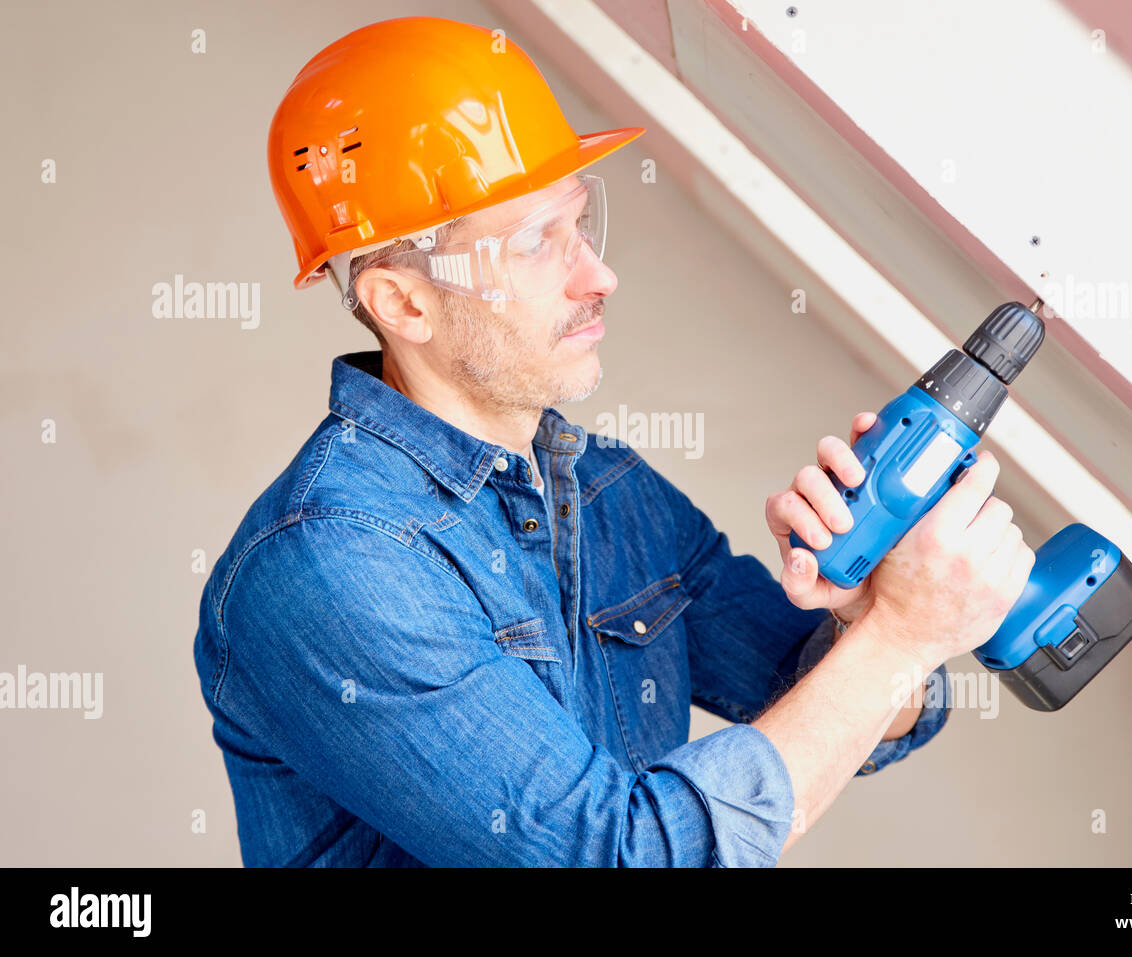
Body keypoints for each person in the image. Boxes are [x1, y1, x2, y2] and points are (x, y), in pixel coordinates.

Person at [192, 16, 1034, 867]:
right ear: (405, 303)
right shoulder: (330, 563)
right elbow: (624, 856)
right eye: (532, 244)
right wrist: (902, 635)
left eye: (579, 224)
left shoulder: (609, 491)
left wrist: (867, 612)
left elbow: (849, 715)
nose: (598, 275)